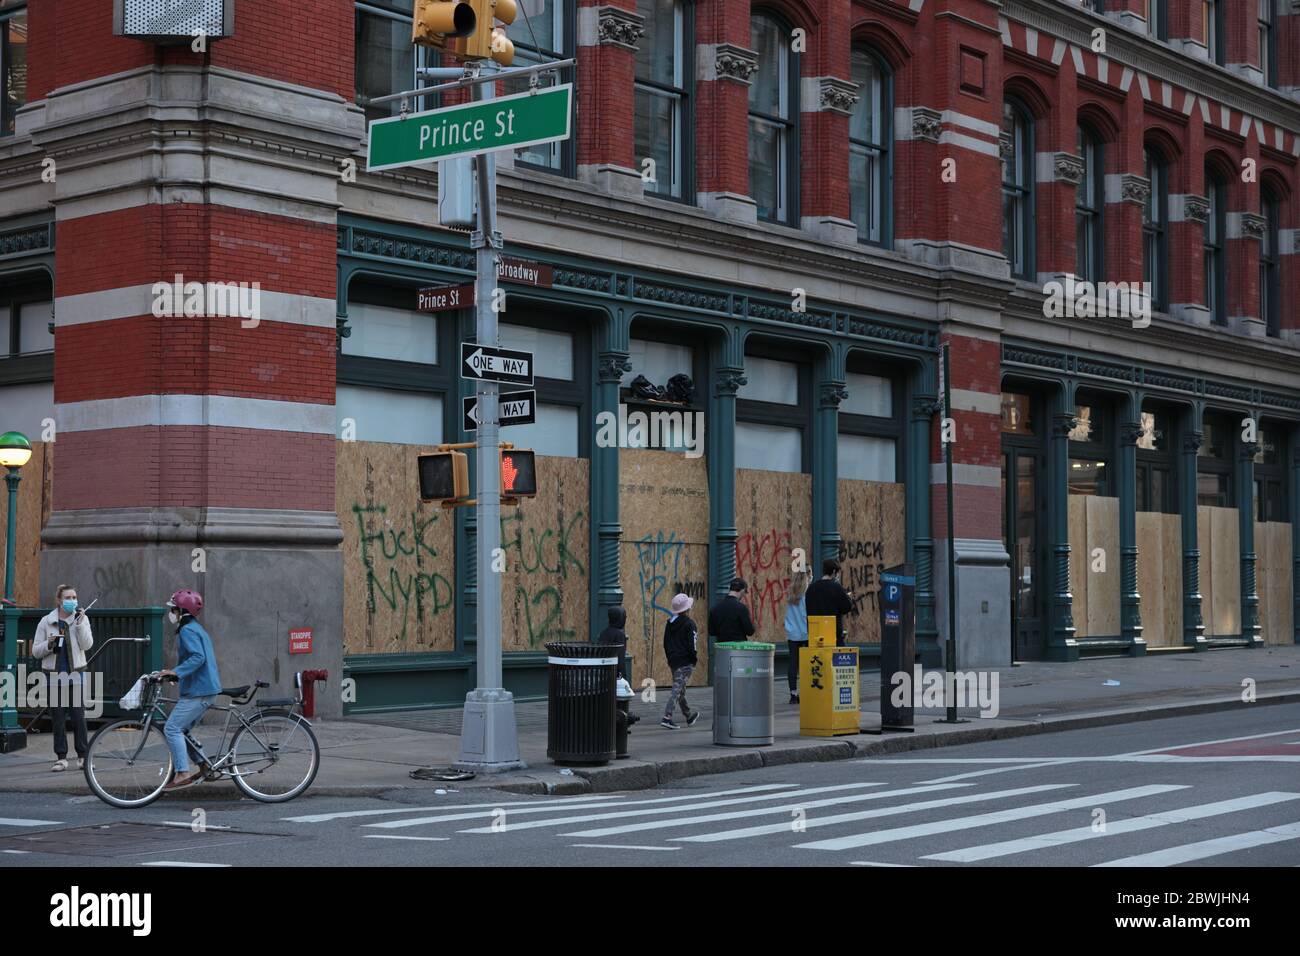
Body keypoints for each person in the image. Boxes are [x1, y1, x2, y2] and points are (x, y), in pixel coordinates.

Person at [159, 588, 222, 790]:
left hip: (199, 691)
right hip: (203, 688)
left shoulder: (187, 630)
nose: (171, 614)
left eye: (174, 609)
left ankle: (182, 773)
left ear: (182, 611)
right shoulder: (196, 628)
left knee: (172, 728)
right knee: (182, 729)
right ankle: (204, 765)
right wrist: (176, 674)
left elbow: (198, 657)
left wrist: (176, 672)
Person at [31, 584, 94, 772]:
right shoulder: (46, 622)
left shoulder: (81, 619)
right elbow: (35, 651)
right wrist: (49, 645)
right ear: (59, 600)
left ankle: (83, 757)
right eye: (68, 598)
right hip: (53, 676)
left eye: (74, 597)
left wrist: (80, 624)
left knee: (78, 717)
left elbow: (87, 644)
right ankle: (61, 757)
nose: (72, 601)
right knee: (58, 718)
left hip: (76, 674)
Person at [660, 593, 700, 730]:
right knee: (677, 689)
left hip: (673, 661)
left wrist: (670, 657)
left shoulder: (669, 623)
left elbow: (665, 643)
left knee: (680, 688)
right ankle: (667, 716)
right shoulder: (690, 624)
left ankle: (688, 715)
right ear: (687, 608)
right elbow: (692, 645)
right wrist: (693, 659)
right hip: (685, 661)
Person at [804, 558, 857, 646]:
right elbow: (847, 607)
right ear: (833, 572)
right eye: (837, 573)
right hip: (834, 636)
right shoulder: (837, 588)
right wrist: (848, 597)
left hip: (815, 637)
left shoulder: (811, 588)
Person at [783, 570, 810, 704]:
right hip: (806, 633)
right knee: (806, 664)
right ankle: (807, 692)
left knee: (793, 664)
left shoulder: (789, 595)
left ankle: (793, 694)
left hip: (792, 634)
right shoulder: (808, 596)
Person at [707, 577, 756, 644]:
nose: (744, 595)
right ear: (742, 590)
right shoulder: (742, 608)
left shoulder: (715, 608)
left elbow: (711, 632)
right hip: (738, 649)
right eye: (745, 592)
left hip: (722, 649)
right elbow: (750, 631)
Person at [596, 605, 629, 679]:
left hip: (604, 673)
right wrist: (622, 676)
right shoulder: (620, 635)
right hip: (615, 674)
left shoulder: (603, 633)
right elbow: (620, 658)